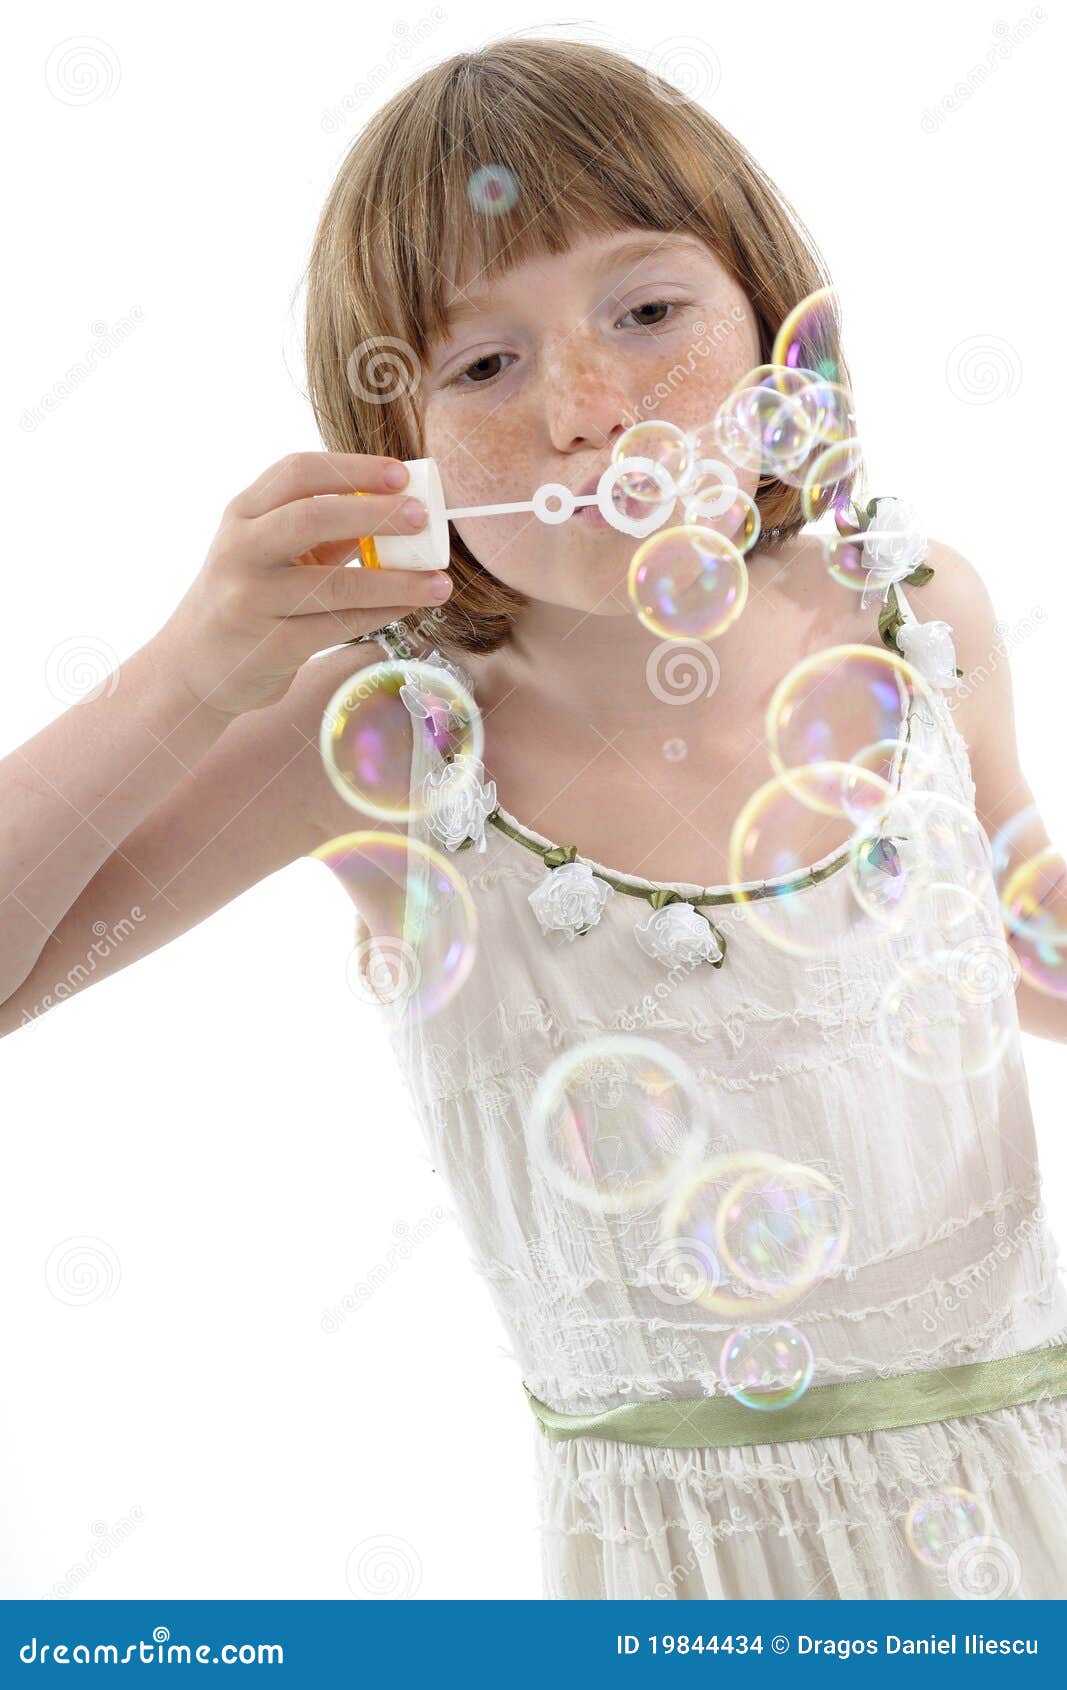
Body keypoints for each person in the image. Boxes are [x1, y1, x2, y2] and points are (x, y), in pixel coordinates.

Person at [3, 37, 1067, 1600]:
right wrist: (185, 676)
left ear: (776, 324)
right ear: (403, 454)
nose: (586, 407)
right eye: (483, 365)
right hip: (682, 1582)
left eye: (648, 313)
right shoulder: (392, 738)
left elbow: (1015, 933)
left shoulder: (911, 611)